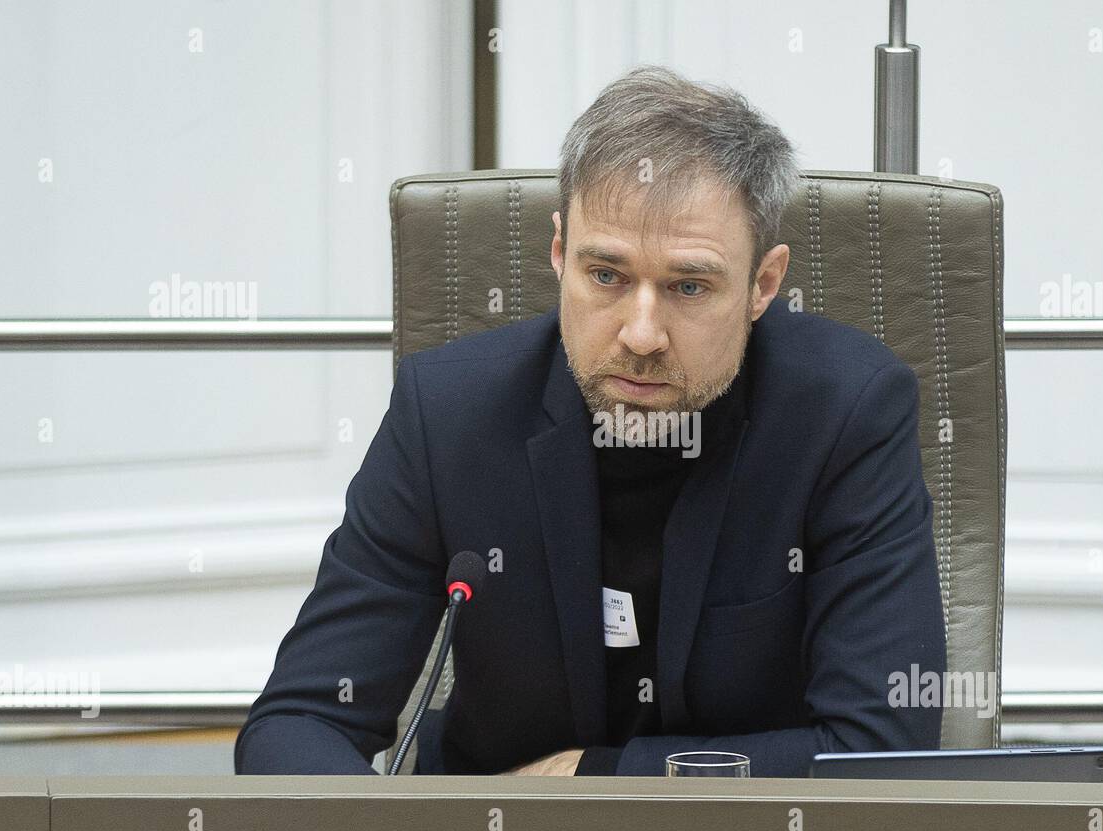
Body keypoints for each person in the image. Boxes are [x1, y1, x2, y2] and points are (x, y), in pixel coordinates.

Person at [235, 64, 945, 777]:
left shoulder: (846, 413)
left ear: (763, 284)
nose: (641, 333)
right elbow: (300, 720)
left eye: (688, 286)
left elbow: (881, 751)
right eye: (606, 276)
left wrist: (594, 776)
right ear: (558, 254)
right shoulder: (448, 414)